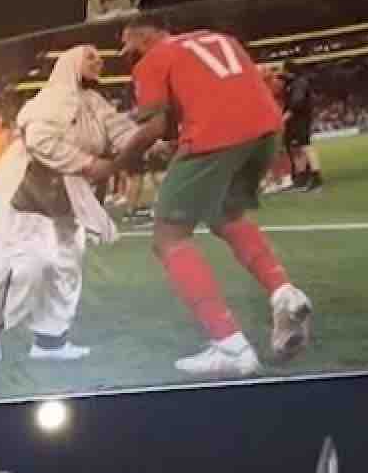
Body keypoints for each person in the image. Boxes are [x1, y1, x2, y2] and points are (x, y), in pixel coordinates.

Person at [117, 20, 313, 379]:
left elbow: (155, 126)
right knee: (227, 213)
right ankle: (284, 293)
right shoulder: (219, 37)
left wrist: (122, 158)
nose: (130, 57)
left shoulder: (152, 59)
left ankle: (230, 346)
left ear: (145, 37)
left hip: (215, 137)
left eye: (130, 48)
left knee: (168, 238)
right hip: (266, 131)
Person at [0, 46, 134, 366]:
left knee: (66, 264)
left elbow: (122, 133)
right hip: (25, 185)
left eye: (100, 56)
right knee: (22, 262)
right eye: (91, 56)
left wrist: (152, 143)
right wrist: (90, 165)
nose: (99, 60)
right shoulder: (50, 100)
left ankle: (50, 341)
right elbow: (40, 141)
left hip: (68, 190)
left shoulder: (97, 104)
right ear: (71, 64)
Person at [282, 61, 324, 190]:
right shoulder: (294, 83)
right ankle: (301, 179)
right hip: (296, 120)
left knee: (306, 147)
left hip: (300, 120)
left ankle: (316, 178)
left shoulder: (299, 83)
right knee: (297, 149)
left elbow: (297, 103)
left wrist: (284, 117)